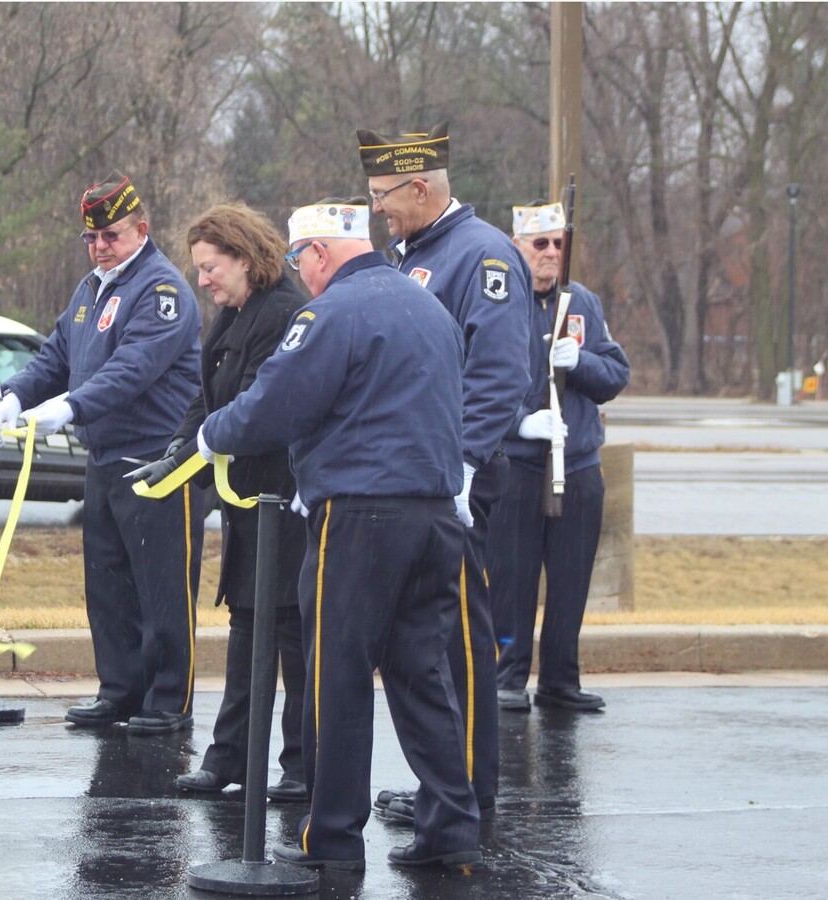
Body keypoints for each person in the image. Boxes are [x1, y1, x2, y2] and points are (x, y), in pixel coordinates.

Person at [198, 199, 480, 871]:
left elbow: (275, 404)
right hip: (436, 515)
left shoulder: (329, 314)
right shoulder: (429, 308)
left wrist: (213, 434)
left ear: (320, 253)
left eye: (300, 259)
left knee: (336, 678)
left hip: (359, 520)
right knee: (422, 674)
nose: (299, 272)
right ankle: (451, 828)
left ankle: (330, 840)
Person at [0, 170, 204, 735]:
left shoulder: (160, 291)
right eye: (91, 237)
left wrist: (71, 407)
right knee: (108, 586)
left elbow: (132, 369)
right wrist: (16, 395)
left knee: (160, 588)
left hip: (157, 459)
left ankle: (168, 701)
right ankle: (120, 690)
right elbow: (55, 356)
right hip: (105, 456)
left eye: (111, 235)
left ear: (141, 230)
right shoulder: (92, 288)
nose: (100, 246)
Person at [357, 125, 531, 817]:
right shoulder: (416, 255)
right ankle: (443, 784)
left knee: (456, 642)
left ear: (421, 188)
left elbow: (499, 373)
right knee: (421, 642)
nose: (377, 210)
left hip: (454, 482)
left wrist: (463, 464)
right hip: (415, 480)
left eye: (384, 196)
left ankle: (468, 792)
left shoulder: (482, 254)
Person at [127, 202, 309, 801]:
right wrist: (177, 448)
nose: (202, 280)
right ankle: (229, 758)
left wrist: (195, 451)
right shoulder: (234, 312)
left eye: (210, 268)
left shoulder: (282, 312)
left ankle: (302, 765)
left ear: (245, 257)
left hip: (283, 499)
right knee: (247, 628)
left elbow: (255, 405)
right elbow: (207, 397)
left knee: (291, 633)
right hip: (246, 501)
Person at [491, 200, 631, 712]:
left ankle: (559, 679)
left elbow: (616, 374)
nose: (551, 252)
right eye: (540, 243)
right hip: (518, 464)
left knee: (571, 580)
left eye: (558, 243)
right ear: (517, 246)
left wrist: (583, 361)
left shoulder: (583, 303)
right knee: (511, 582)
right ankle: (506, 674)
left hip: (578, 464)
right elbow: (476, 381)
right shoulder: (498, 302)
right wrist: (518, 423)